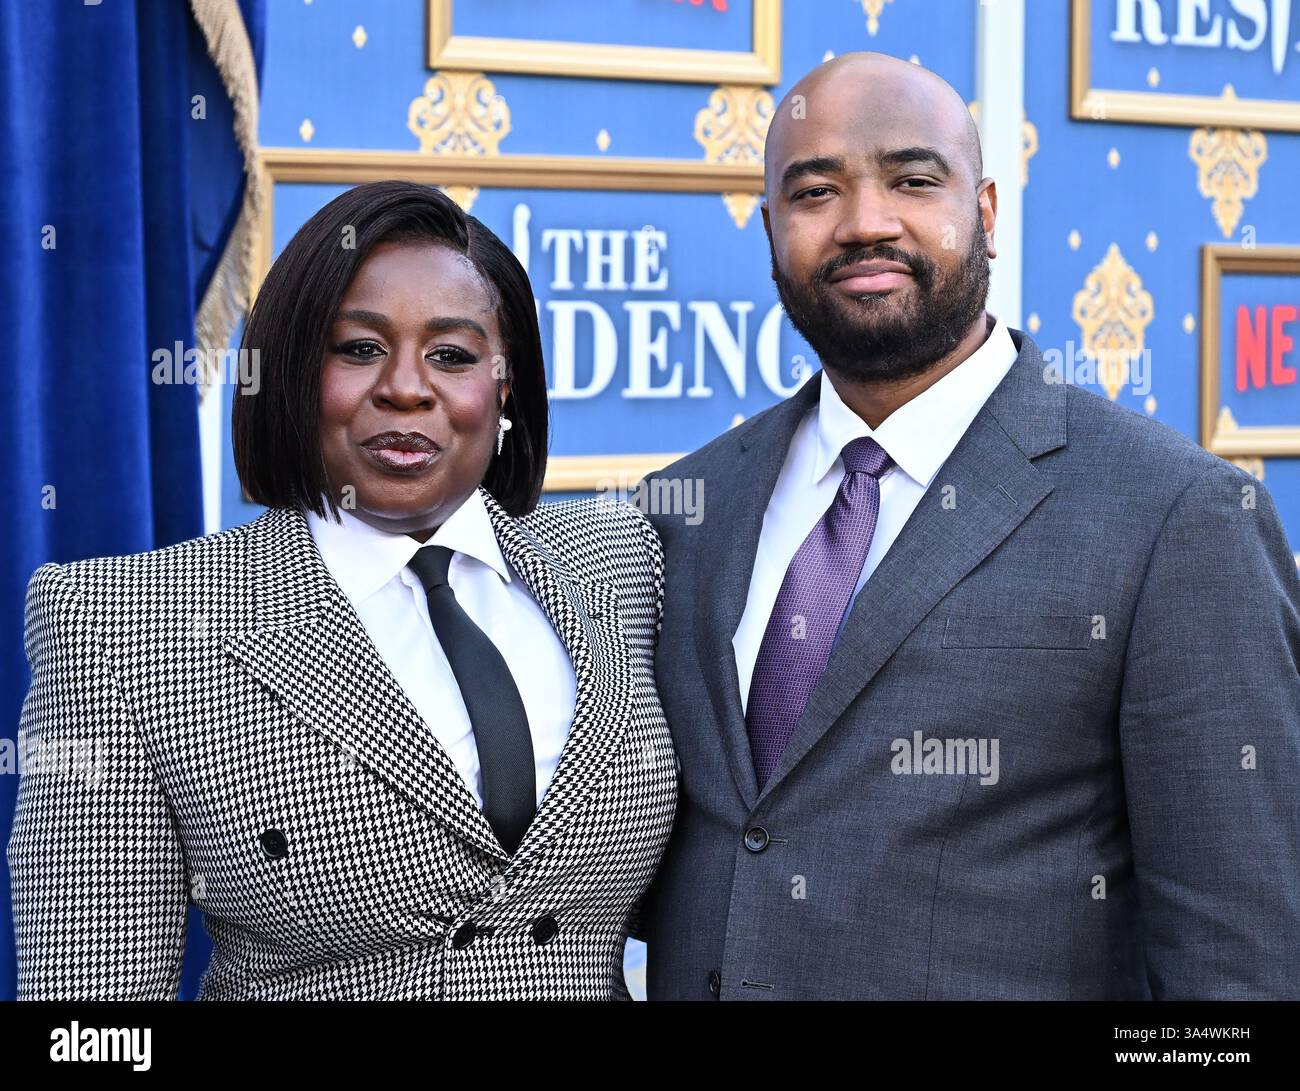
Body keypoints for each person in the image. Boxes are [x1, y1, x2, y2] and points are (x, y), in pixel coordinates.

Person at [637, 52, 1300, 1000]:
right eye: (816, 191)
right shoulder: (682, 508)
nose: (867, 222)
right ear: (770, 228)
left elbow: (1244, 970)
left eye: (913, 180)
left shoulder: (1175, 519)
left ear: (986, 212)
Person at [8, 181, 677, 1000]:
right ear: (291, 375)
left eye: (453, 355)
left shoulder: (616, 559)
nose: (405, 386)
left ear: (505, 387)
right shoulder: (126, 625)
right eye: (359, 349)